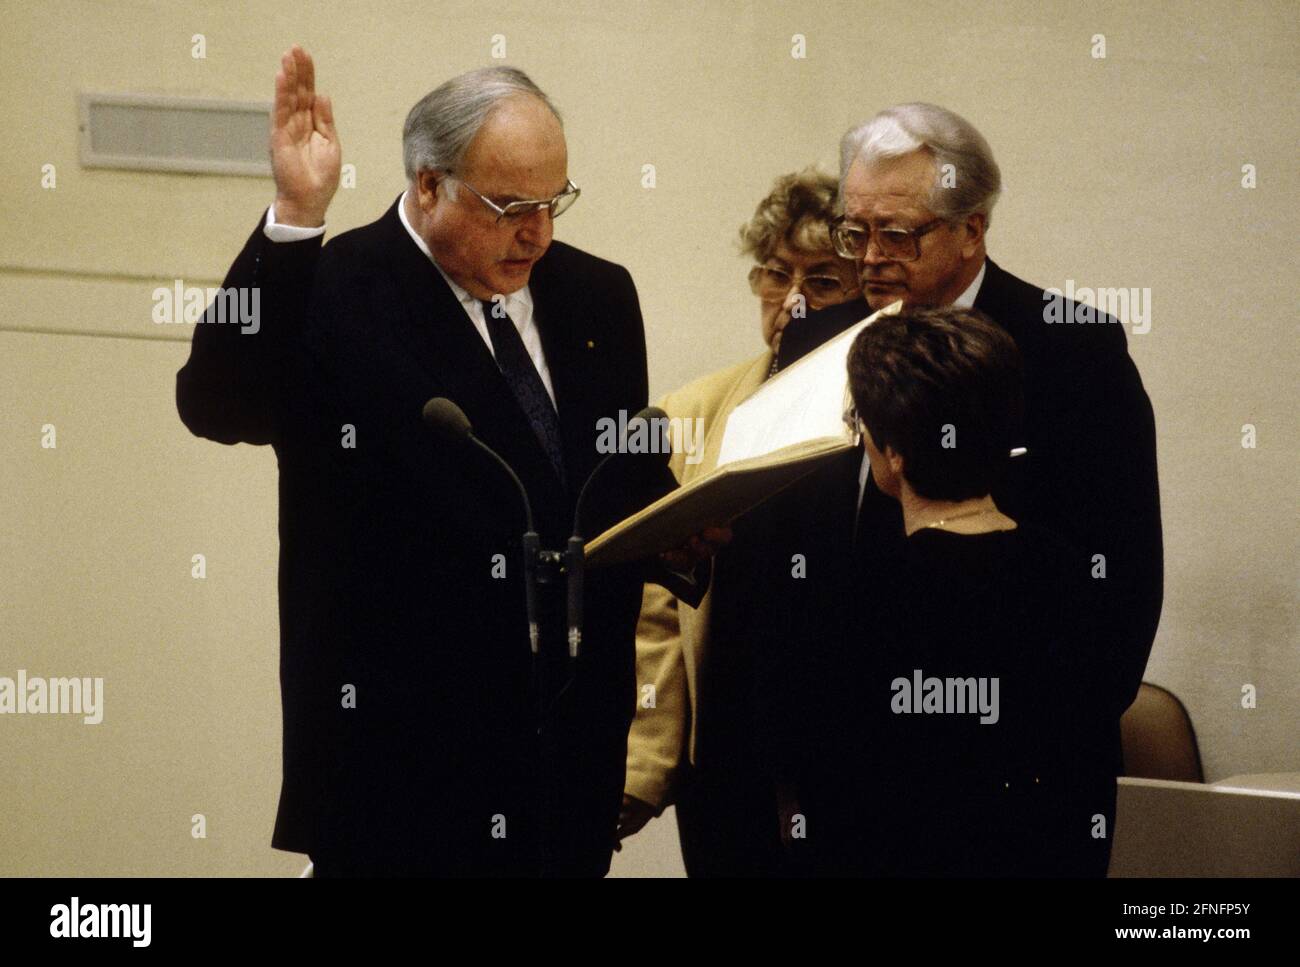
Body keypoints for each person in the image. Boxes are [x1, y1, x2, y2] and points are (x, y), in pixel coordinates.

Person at [175, 46, 722, 877]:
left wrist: (681, 525)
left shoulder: (598, 294)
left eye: (552, 201)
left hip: (564, 775)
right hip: (401, 782)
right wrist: (294, 213)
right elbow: (216, 404)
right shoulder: (333, 290)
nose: (535, 231)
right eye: (508, 205)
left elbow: (616, 479)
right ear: (428, 184)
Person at [750, 102, 1162, 875]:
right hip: (836, 802)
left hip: (1016, 803)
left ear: (972, 228)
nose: (869, 257)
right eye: (854, 230)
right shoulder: (815, 341)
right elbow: (778, 569)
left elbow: (1122, 595)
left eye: (897, 233)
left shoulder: (1075, 353)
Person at [775, 306, 1118, 876]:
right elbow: (1085, 767)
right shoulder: (1066, 570)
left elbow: (831, 789)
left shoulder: (863, 591)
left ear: (893, 451)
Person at [616, 170, 861, 875]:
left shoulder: (890, 412)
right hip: (728, 763)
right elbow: (658, 608)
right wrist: (641, 773)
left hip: (850, 760)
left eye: (822, 281)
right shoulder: (695, 410)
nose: (791, 302)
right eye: (775, 275)